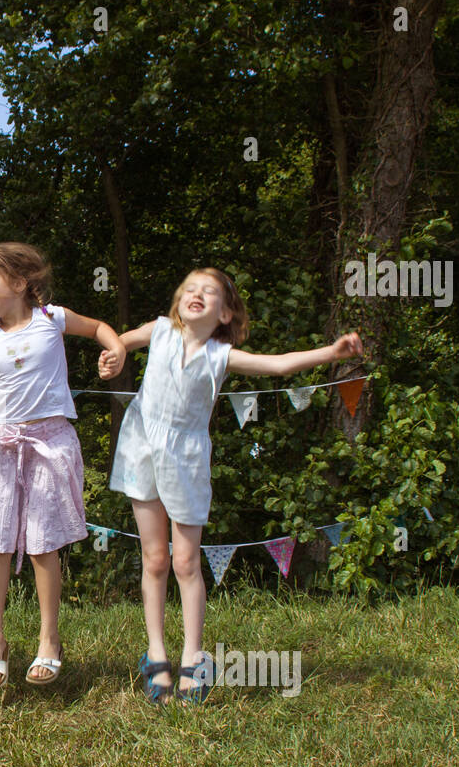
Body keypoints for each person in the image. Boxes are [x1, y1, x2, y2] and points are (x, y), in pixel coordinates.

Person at [101, 267, 362, 704]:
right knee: (154, 558)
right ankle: (157, 655)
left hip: (185, 460)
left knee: (184, 562)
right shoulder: (161, 330)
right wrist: (114, 355)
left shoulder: (221, 356)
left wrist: (331, 353)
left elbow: (279, 365)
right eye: (190, 288)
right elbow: (121, 341)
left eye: (210, 292)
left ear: (225, 313)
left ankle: (193, 657)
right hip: (141, 446)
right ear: (179, 301)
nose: (197, 294)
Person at [0, 242, 126, 689]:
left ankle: (50, 639)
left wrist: (116, 349)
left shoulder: (53, 318)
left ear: (22, 283)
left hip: (49, 442)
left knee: (44, 543)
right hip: (0, 445)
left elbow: (102, 328)